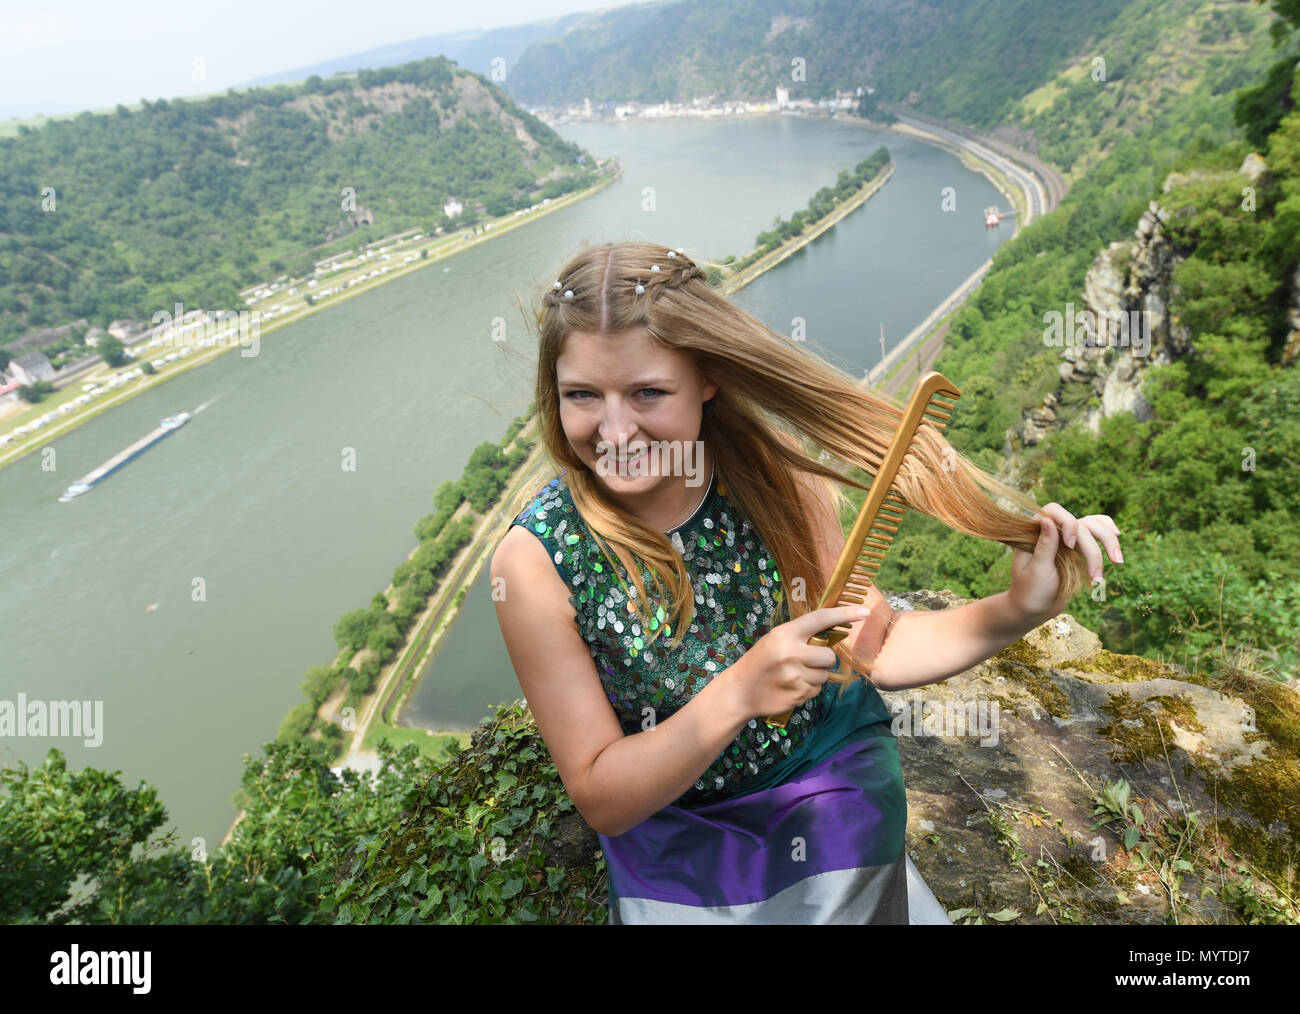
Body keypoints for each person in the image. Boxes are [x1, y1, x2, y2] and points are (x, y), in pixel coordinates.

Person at [489, 241, 1123, 924]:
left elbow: (873, 649)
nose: (615, 430)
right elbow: (602, 796)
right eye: (582, 395)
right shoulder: (536, 562)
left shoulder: (772, 485)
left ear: (708, 377)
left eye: (648, 392)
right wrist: (737, 693)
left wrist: (1014, 610)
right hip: (679, 836)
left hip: (826, 794)